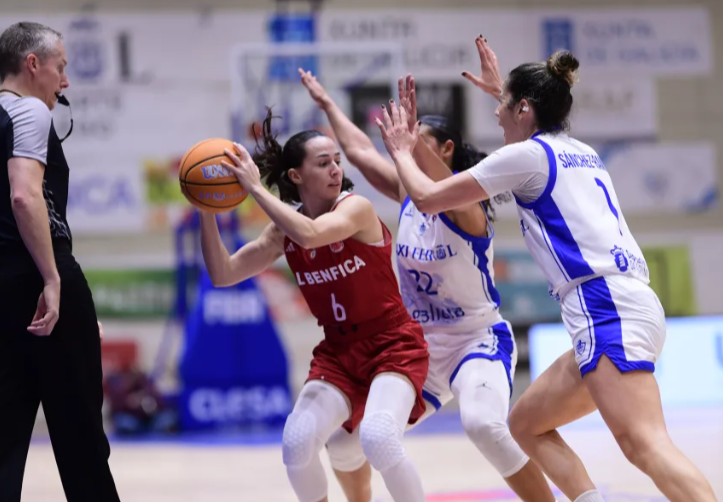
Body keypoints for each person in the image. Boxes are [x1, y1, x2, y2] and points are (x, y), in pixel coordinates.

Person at [375, 36, 717, 502]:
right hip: (626, 302)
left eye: (504, 106)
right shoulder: (581, 151)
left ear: (525, 110)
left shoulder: (527, 157)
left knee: (644, 445)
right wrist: (503, 90)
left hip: (604, 306)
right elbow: (533, 123)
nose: (496, 114)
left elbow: (430, 197)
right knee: (525, 424)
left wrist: (401, 149)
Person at [298, 68, 555, 502]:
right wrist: (328, 105)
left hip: (477, 340)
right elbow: (360, 150)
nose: (405, 147)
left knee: (483, 424)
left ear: (445, 150)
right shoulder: (408, 194)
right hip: (420, 347)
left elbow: (429, 180)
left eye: (417, 140)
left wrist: (407, 139)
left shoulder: (471, 206)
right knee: (345, 440)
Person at [198, 109, 430, 502]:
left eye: (337, 161)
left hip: (391, 344)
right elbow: (223, 274)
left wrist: (255, 189)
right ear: (296, 176)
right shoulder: (282, 230)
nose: (336, 170)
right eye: (324, 163)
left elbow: (310, 236)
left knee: (378, 439)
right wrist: (205, 210)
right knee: (297, 442)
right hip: (338, 353)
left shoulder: (355, 209)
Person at [0, 22, 120, 502]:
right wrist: (55, 282)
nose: (64, 81)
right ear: (33, 64)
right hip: (40, 275)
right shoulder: (30, 110)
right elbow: (25, 197)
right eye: (61, 67)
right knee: (80, 431)